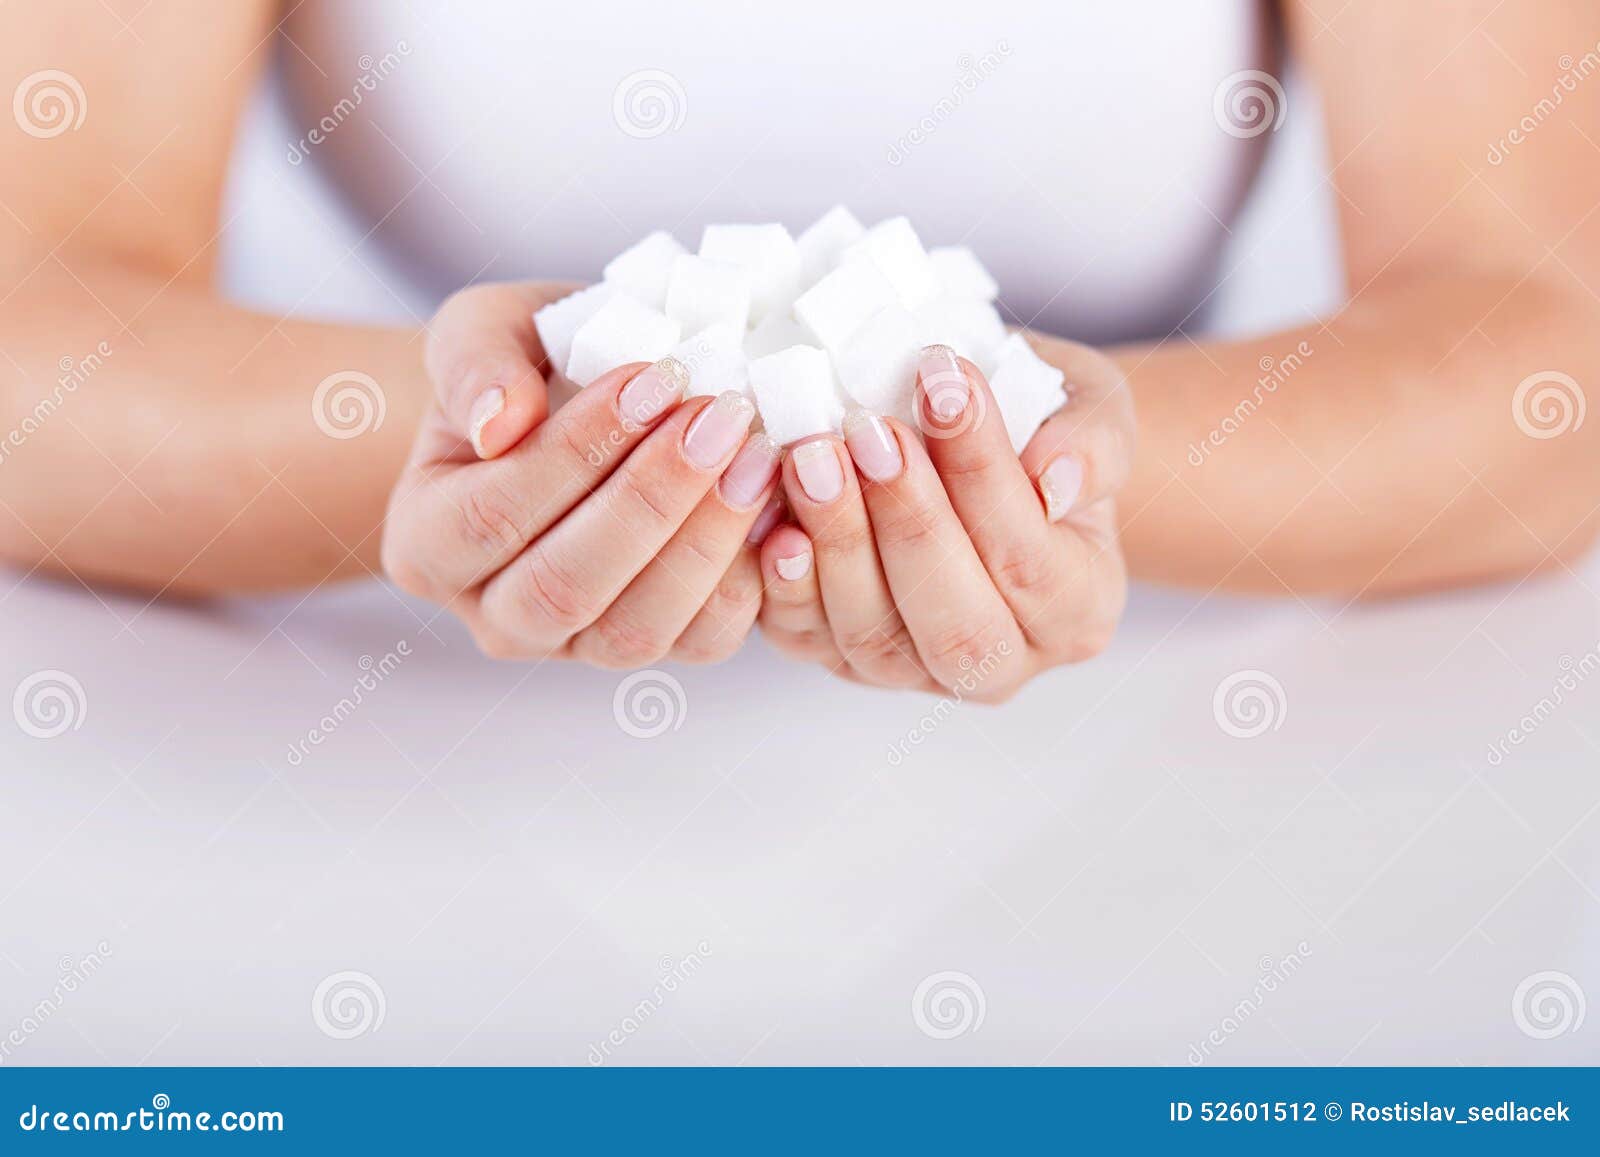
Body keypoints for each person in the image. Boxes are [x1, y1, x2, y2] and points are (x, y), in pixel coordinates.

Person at [2, 2, 1596, 703]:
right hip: (397, 770)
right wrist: (490, 456)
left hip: (1142, 792)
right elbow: (34, 329)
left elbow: (1543, 357)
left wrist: (1061, 465)